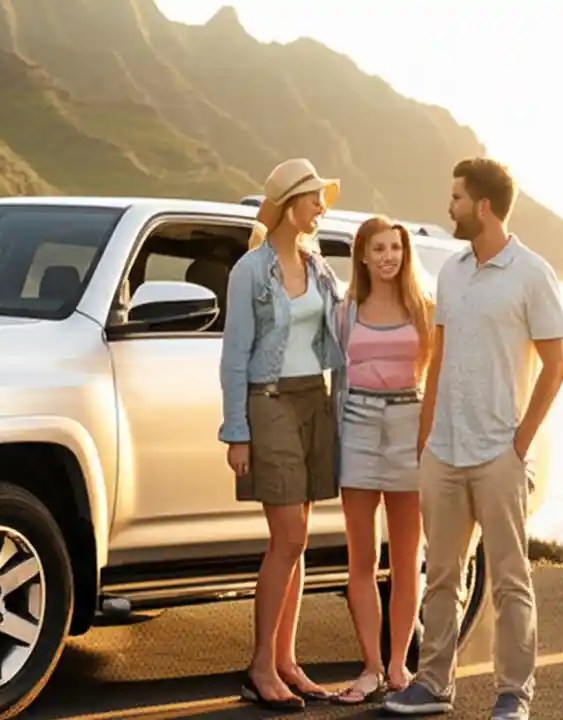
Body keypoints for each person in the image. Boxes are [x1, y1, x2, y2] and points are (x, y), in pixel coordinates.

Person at [382, 158, 563, 720]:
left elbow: (555, 368)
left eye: (457, 198)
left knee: (511, 581)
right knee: (439, 575)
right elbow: (437, 359)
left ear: (483, 206)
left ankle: (514, 694)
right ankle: (433, 685)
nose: (450, 207)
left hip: (498, 454)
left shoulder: (533, 273)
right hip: (444, 451)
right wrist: (425, 438)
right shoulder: (453, 272)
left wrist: (520, 444)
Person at [220, 158, 348, 711]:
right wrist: (236, 432)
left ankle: (286, 660)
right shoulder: (250, 270)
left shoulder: (320, 267)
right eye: (315, 198)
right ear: (291, 204)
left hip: (312, 401)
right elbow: (233, 357)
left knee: (299, 543)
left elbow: (347, 326)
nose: (322, 208)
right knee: (288, 539)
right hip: (267, 400)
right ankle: (259, 666)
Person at [329, 216, 436, 705]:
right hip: (358, 424)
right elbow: (331, 374)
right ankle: (370, 666)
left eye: (396, 247)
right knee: (362, 558)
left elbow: (437, 378)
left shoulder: (423, 309)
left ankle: (399, 664)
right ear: (364, 256)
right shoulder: (346, 310)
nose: (389, 256)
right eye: (380, 248)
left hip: (409, 426)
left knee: (407, 559)